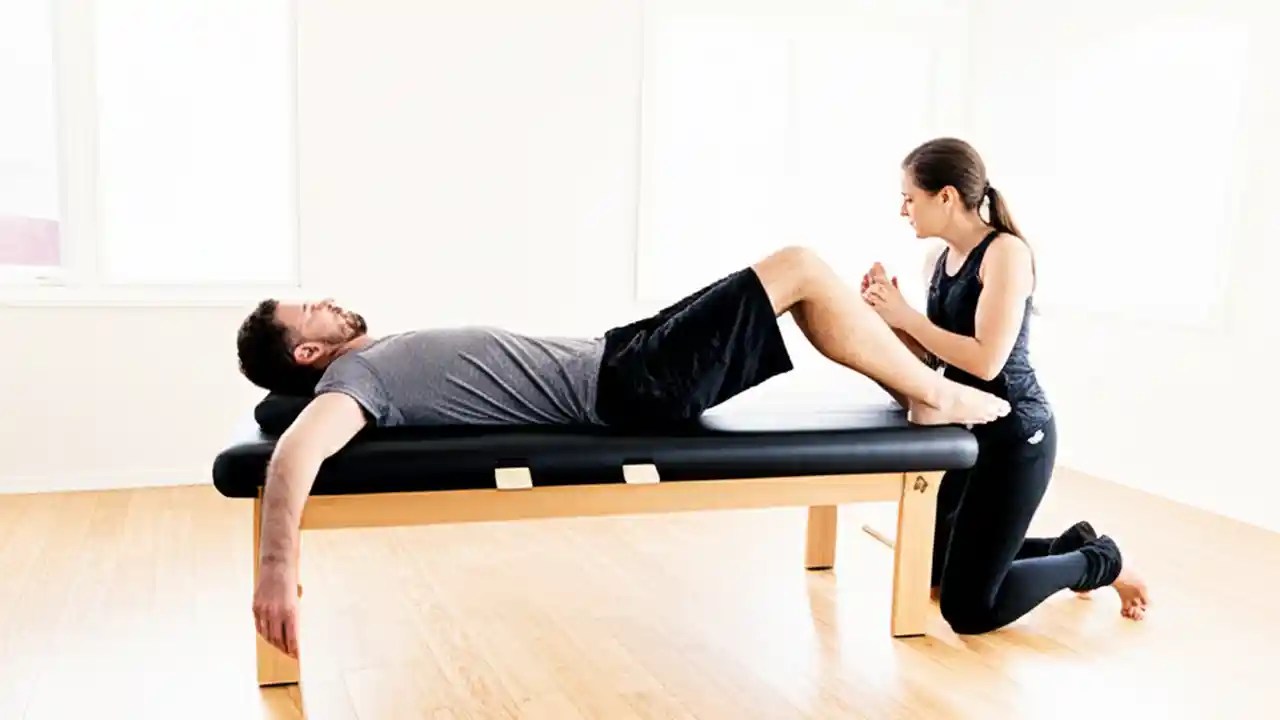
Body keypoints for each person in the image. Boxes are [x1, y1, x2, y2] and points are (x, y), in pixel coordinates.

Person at [237, 244, 1014, 659]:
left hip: (619, 353)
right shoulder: (355, 381)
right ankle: (934, 393)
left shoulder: (367, 358)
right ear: (309, 354)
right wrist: (277, 572)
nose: (331, 301)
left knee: (799, 281)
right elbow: (296, 453)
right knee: (802, 268)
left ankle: (919, 388)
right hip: (624, 386)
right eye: (316, 309)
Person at [860, 137, 1149, 634]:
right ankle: (1070, 544)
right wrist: (893, 320)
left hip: (1017, 438)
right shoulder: (941, 260)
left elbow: (987, 361)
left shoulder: (1006, 254)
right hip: (969, 433)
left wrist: (908, 316)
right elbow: (938, 359)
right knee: (927, 568)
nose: (902, 208)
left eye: (910, 196)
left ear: (946, 196)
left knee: (968, 610)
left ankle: (1099, 560)